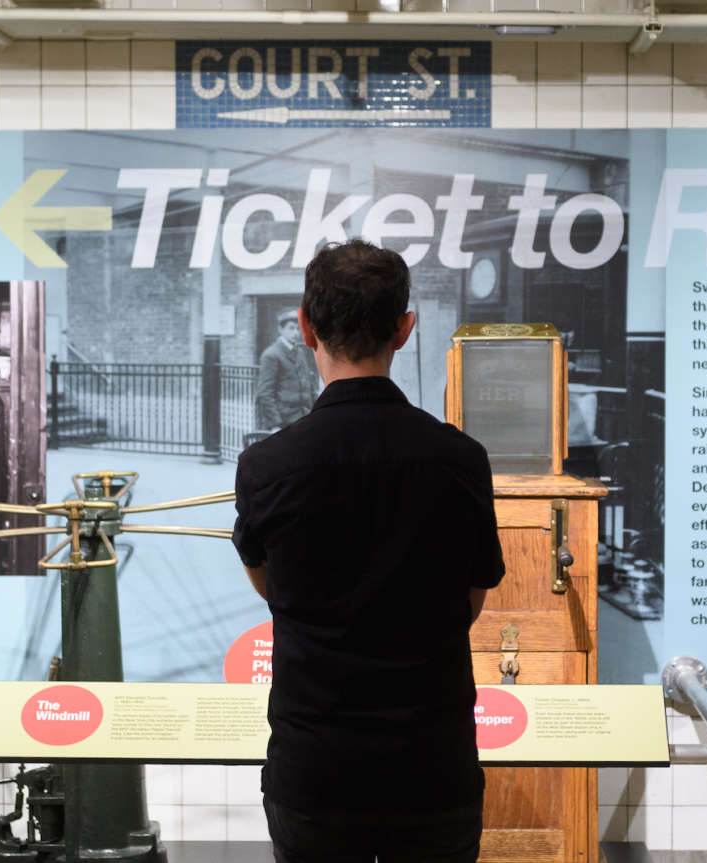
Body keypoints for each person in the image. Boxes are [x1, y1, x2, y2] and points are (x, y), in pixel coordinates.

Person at [232, 240, 505, 863]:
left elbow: (268, 583)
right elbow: (473, 593)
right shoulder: (461, 460)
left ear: (306, 327)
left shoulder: (267, 466)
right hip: (433, 765)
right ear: (404, 330)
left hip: (314, 768)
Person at [253, 307, 320, 430]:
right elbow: (265, 394)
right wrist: (275, 425)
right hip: (283, 422)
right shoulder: (271, 355)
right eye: (291, 328)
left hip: (303, 418)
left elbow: (310, 387)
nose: (296, 333)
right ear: (281, 330)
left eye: (298, 329)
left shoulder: (300, 352)